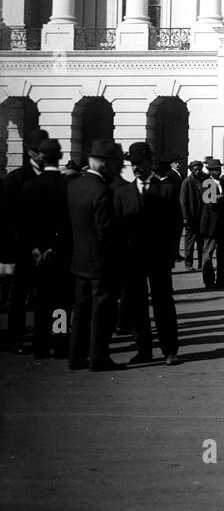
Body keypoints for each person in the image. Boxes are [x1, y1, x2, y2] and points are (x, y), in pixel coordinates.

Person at [115, 142, 182, 366]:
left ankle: (170, 350)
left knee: (163, 304)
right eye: (133, 164)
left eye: (140, 163)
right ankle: (143, 349)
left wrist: (171, 250)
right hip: (132, 259)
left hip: (159, 257)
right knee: (137, 304)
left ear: (149, 162)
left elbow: (176, 224)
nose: (137, 168)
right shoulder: (123, 193)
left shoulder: (166, 189)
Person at [8, 137, 72, 360]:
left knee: (40, 301)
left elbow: (23, 223)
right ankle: (60, 342)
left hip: (33, 254)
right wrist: (55, 247)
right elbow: (68, 224)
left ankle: (40, 345)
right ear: (60, 157)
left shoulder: (28, 186)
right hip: (61, 254)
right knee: (61, 303)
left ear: (41, 157)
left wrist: (36, 247)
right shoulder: (68, 186)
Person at [67, 138, 126, 372]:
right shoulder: (102, 191)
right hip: (101, 263)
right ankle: (99, 357)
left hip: (79, 260)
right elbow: (106, 232)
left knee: (80, 311)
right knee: (101, 313)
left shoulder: (74, 186)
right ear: (105, 164)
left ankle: (76, 357)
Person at [198, 158, 224, 288]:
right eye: (214, 170)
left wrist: (222, 197)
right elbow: (211, 203)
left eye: (218, 169)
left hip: (223, 223)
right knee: (208, 253)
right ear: (210, 171)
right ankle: (208, 280)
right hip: (210, 224)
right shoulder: (206, 182)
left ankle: (221, 279)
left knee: (223, 253)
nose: (217, 172)